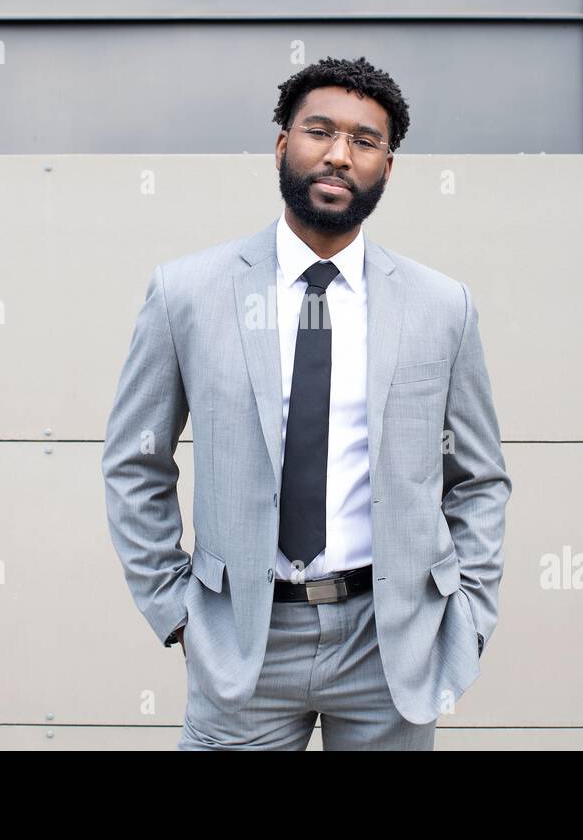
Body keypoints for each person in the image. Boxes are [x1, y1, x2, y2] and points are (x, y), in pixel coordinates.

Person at [102, 55, 511, 750]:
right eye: (319, 131)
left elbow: (478, 479)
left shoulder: (442, 306)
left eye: (365, 140)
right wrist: (176, 611)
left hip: (391, 645)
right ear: (282, 146)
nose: (339, 154)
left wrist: (466, 614)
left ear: (387, 166)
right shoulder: (187, 294)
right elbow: (135, 464)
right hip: (241, 643)